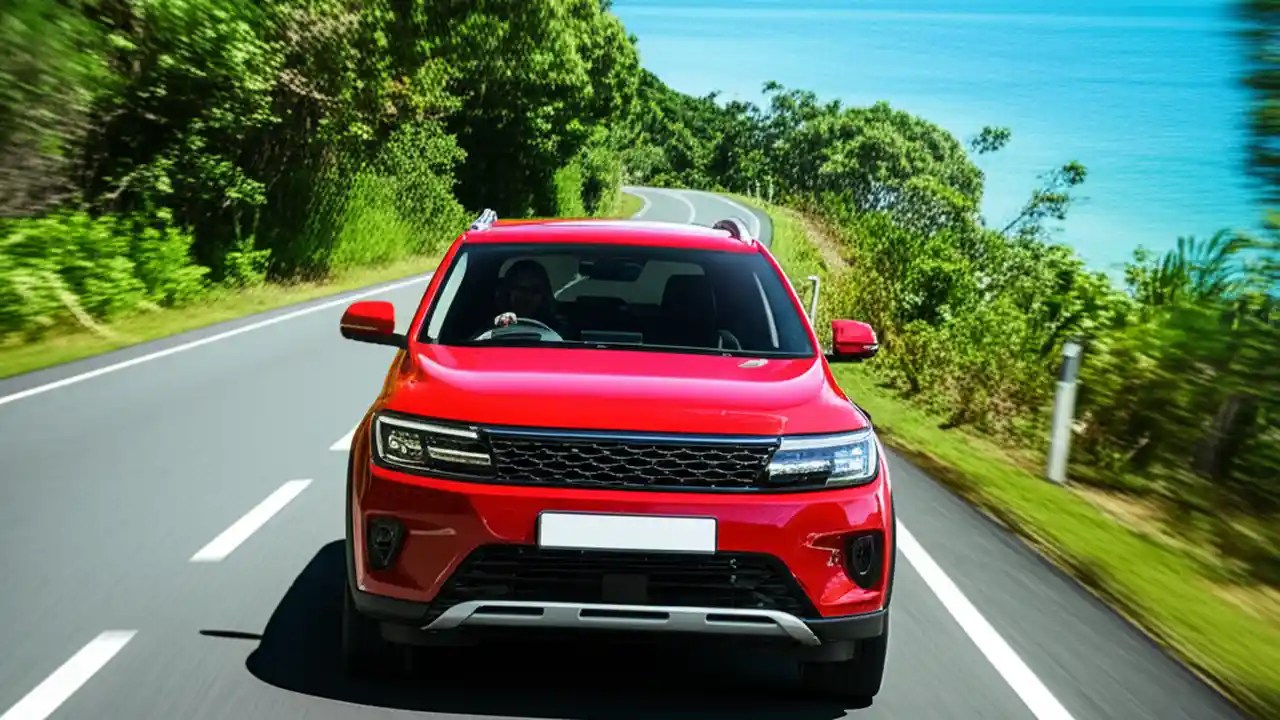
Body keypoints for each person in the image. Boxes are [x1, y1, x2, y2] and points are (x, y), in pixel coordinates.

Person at [491, 259, 571, 337]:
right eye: (520, 289)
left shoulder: (558, 331)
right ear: (507, 291)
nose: (526, 296)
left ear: (544, 295)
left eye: (534, 291)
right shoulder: (490, 326)